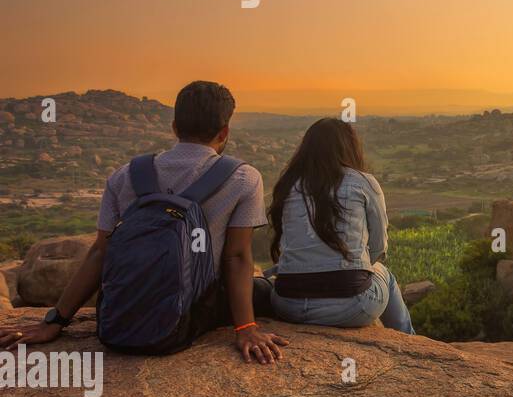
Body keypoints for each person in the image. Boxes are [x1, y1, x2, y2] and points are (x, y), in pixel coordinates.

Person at [0, 81, 288, 364]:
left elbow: (101, 252)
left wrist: (56, 320)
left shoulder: (125, 175)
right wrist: (246, 328)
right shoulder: (243, 177)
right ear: (224, 132)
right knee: (262, 288)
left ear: (174, 127)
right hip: (185, 316)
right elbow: (236, 257)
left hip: (121, 316)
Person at [265, 118, 413, 334]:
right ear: (349, 147)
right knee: (386, 275)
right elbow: (379, 247)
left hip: (289, 305)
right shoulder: (363, 182)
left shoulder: (288, 185)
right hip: (352, 306)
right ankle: (410, 344)